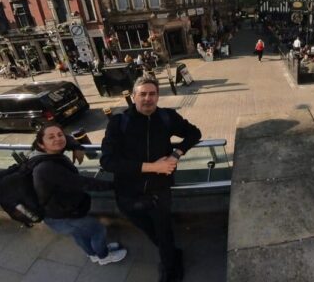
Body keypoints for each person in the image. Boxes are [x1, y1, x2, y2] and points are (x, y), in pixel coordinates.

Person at [101, 77, 202, 282]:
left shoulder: (167, 117)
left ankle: (170, 267)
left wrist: (176, 154)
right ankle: (172, 254)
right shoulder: (119, 123)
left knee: (164, 232)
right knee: (149, 229)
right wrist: (154, 167)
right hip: (127, 192)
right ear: (134, 96)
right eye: (143, 94)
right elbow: (108, 161)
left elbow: (194, 133)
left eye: (152, 94)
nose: (148, 98)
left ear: (158, 96)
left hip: (159, 191)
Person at [31, 125, 127, 265]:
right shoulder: (47, 168)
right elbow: (83, 183)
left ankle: (92, 254)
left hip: (58, 210)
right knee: (97, 230)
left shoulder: (39, 154)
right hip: (60, 216)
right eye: (51, 137)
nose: (58, 139)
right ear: (41, 144)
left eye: (60, 134)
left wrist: (77, 146)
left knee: (79, 233)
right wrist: (115, 186)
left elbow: (66, 140)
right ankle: (104, 256)